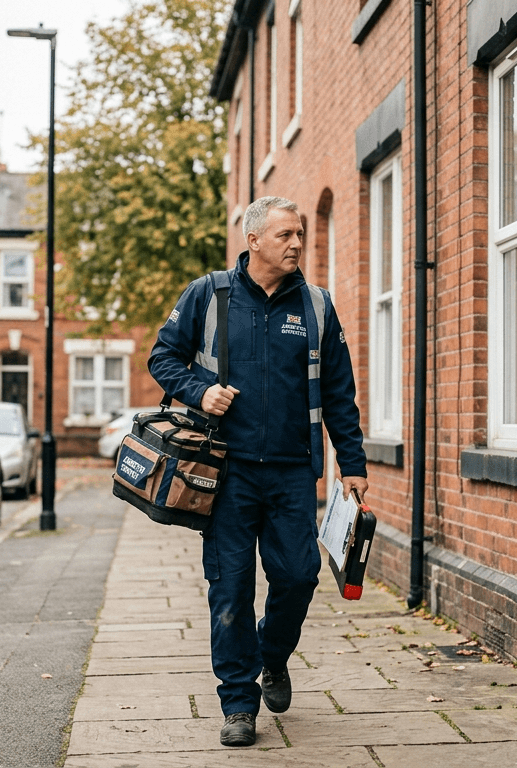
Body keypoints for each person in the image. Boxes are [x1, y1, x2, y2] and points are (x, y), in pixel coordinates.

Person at [148, 196, 368, 747]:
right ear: (253, 240)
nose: (297, 243)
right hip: (225, 472)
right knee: (231, 588)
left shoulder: (317, 306)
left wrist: (352, 463)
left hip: (293, 472)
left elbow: (339, 391)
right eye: (285, 235)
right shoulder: (209, 294)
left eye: (300, 234)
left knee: (298, 577)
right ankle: (239, 704)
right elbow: (163, 357)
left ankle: (272, 655)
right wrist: (201, 391)